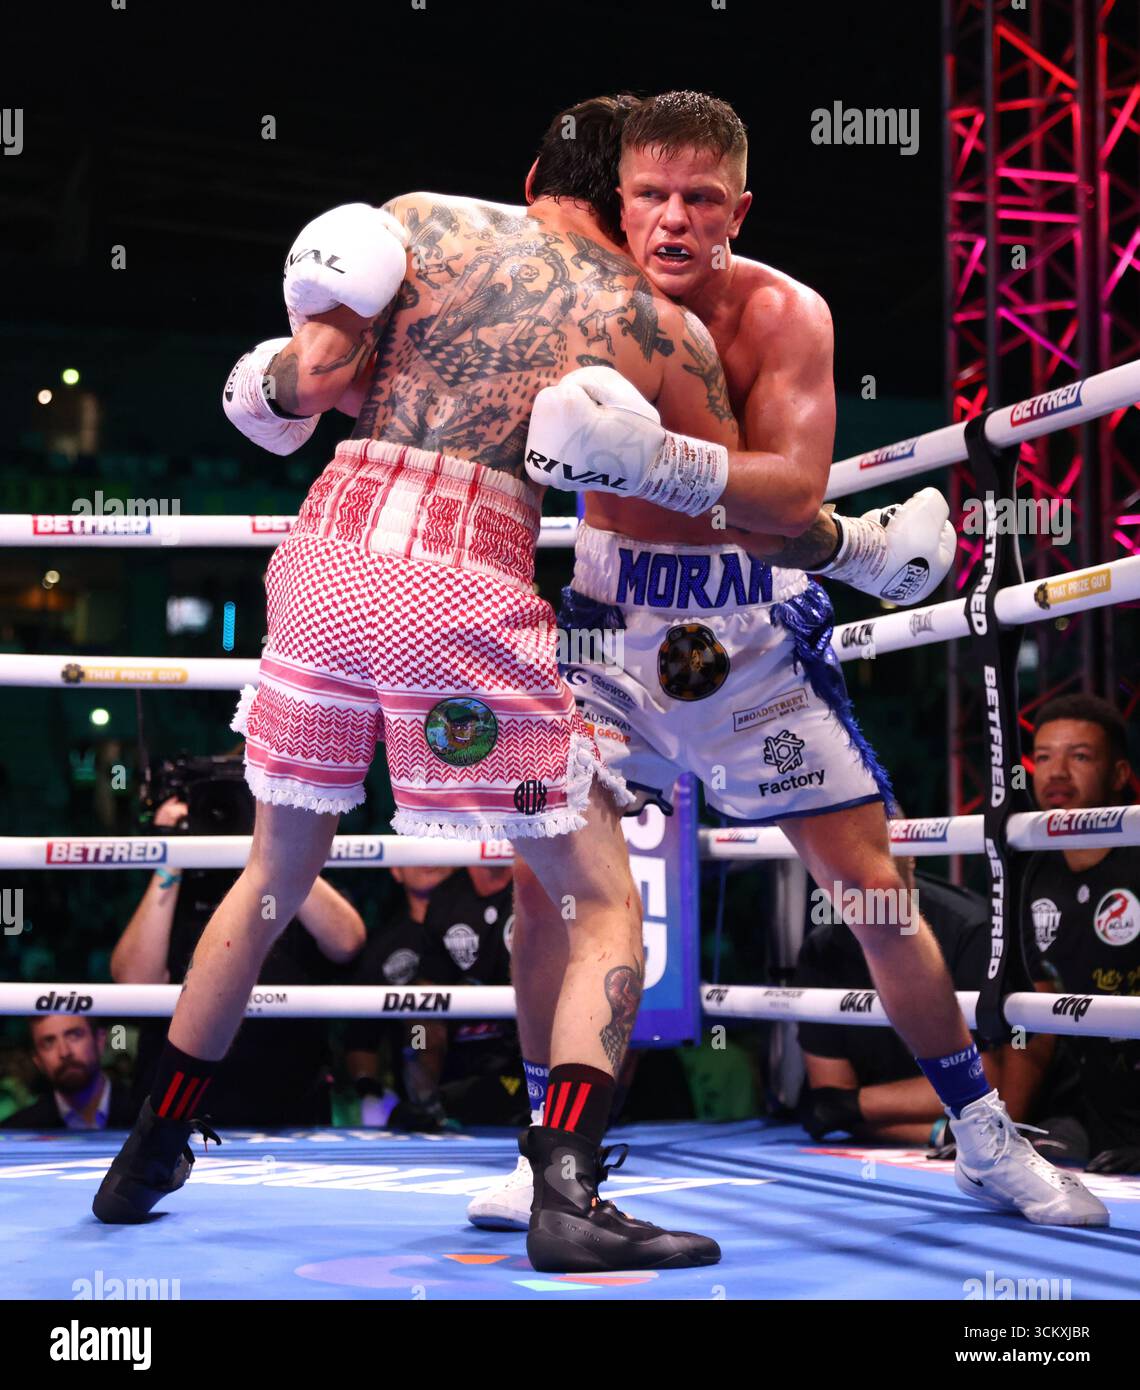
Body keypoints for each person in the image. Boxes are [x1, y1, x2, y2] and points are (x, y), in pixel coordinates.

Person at [471, 89, 1107, 1231]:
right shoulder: (581, 301)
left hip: (749, 635)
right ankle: (549, 1154)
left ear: (739, 207)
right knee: (546, 892)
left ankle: (981, 1130)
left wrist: (650, 454)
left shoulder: (782, 315)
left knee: (874, 890)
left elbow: (790, 496)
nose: (672, 219)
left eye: (699, 198)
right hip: (605, 628)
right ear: (618, 201)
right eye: (650, 195)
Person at [113, 788, 365, 1127]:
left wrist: (272, 846)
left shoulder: (292, 876)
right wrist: (172, 854)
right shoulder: (181, 883)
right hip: (183, 1108)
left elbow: (347, 941)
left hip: (291, 1098)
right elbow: (134, 979)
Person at [1004, 694, 1140, 1173]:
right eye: (1043, 757)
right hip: (1085, 1113)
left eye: (1079, 756)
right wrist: (998, 1130)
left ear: (1120, 774)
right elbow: (1033, 1021)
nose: (1056, 772)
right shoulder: (1029, 872)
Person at [795, 852, 1004, 1145]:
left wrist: (854, 1105)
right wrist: (940, 1133)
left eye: (880, 860)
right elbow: (828, 1105)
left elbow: (989, 1088)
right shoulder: (823, 949)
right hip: (912, 1147)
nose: (869, 884)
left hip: (1008, 1137)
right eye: (850, 869)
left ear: (911, 858)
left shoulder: (970, 930)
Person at [349, 864, 526, 1130]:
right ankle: (427, 1103)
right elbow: (366, 1034)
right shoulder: (443, 901)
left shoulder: (528, 888)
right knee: (420, 1021)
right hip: (459, 1068)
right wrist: (418, 1039)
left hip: (520, 1056)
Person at [0, 1015, 137, 1130]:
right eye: (49, 1042)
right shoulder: (17, 1132)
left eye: (74, 1035)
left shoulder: (146, 1117)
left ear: (100, 1041)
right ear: (37, 1060)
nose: (64, 1052)